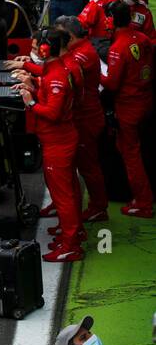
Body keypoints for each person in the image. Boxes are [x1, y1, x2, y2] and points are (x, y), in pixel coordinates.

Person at [99, 1, 154, 219]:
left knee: (132, 156)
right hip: (147, 102)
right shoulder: (143, 39)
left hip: (129, 108)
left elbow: (111, 84)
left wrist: (96, 73)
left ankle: (143, 202)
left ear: (111, 20)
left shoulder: (117, 48)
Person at [53, 16, 109, 223]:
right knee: (74, 166)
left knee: (88, 167)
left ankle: (99, 207)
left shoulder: (81, 55)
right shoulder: (77, 50)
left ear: (69, 36)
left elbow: (60, 75)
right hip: (81, 115)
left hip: (86, 119)